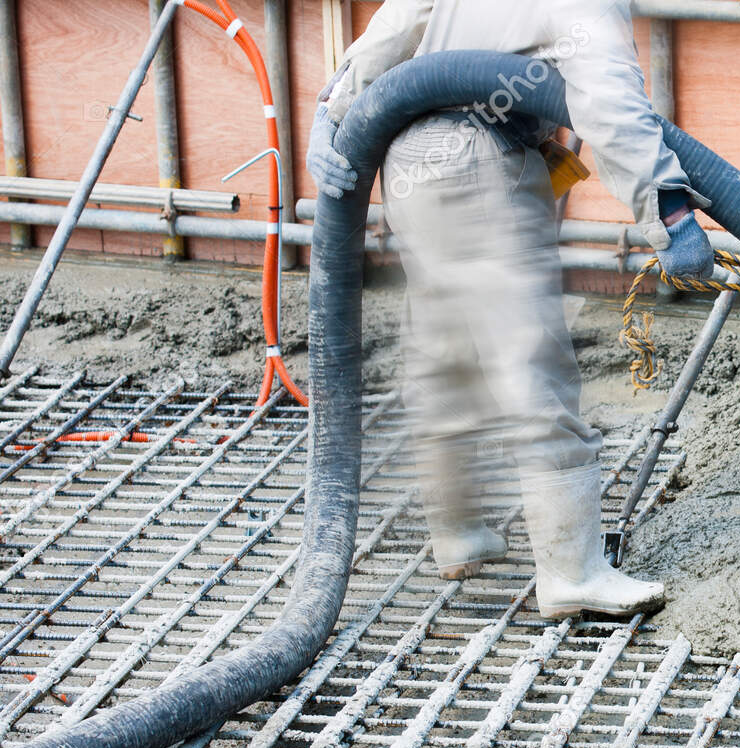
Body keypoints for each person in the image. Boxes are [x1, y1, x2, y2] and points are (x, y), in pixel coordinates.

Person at [305, 0, 713, 616]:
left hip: (411, 157)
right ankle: (572, 572)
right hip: (482, 158)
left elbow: (397, 24)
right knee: (531, 360)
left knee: (444, 347)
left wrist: (331, 115)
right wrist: (672, 217)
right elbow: (611, 109)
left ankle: (457, 532)